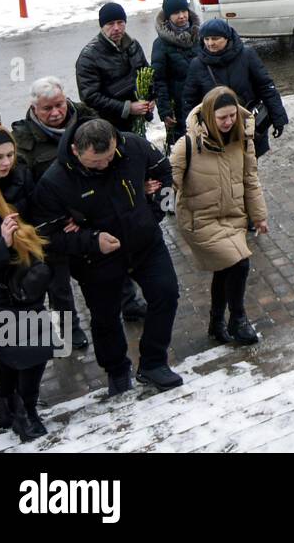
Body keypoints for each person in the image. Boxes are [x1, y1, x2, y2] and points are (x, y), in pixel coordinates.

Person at [30, 117, 183, 394]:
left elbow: (164, 171)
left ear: (115, 141)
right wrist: (90, 240)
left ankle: (153, 362)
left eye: (110, 157)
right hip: (97, 260)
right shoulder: (54, 182)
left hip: (145, 244)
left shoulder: (133, 146)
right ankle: (116, 370)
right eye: (95, 163)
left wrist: (155, 213)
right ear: (76, 151)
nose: (105, 165)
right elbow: (45, 236)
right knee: (105, 318)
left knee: (166, 293)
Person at [0, 127, 55, 441]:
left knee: (32, 348)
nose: (7, 162)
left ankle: (7, 403)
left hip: (21, 279)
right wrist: (0, 243)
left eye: (10, 155)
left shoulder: (20, 177)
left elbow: (36, 216)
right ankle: (25, 413)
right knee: (26, 351)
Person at [11, 77, 110, 349]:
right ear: (34, 108)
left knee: (108, 262)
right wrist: (59, 219)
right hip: (55, 225)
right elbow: (27, 193)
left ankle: (129, 303)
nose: (55, 113)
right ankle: (70, 328)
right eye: (47, 109)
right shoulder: (23, 141)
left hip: (91, 213)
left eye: (59, 105)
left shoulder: (86, 117)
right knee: (59, 285)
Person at [170, 86, 267, 346]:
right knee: (240, 262)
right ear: (210, 116)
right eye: (222, 117)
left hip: (232, 217)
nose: (228, 122)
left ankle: (216, 322)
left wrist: (259, 216)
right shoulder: (187, 145)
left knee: (227, 269)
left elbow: (250, 179)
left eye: (232, 116)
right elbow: (169, 183)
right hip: (199, 220)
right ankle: (238, 319)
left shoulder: (242, 140)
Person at [181, 20, 288, 159]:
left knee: (248, 168)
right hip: (217, 132)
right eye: (206, 39)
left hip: (248, 126)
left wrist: (278, 117)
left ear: (227, 38)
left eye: (215, 38)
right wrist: (192, 131)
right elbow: (190, 100)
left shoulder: (247, 55)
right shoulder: (197, 64)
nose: (210, 43)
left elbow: (266, 87)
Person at [76, 2, 154, 136]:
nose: (117, 28)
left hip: (136, 121)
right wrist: (127, 108)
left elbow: (146, 74)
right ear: (102, 27)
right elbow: (90, 97)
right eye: (110, 24)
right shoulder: (88, 57)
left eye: (120, 22)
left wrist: (151, 98)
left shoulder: (133, 46)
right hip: (108, 126)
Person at [151, 0, 200, 149]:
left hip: (203, 100)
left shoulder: (198, 35)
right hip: (179, 106)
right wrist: (165, 111)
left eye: (184, 11)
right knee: (186, 149)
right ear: (168, 16)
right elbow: (159, 80)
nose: (181, 16)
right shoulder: (161, 44)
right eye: (176, 13)